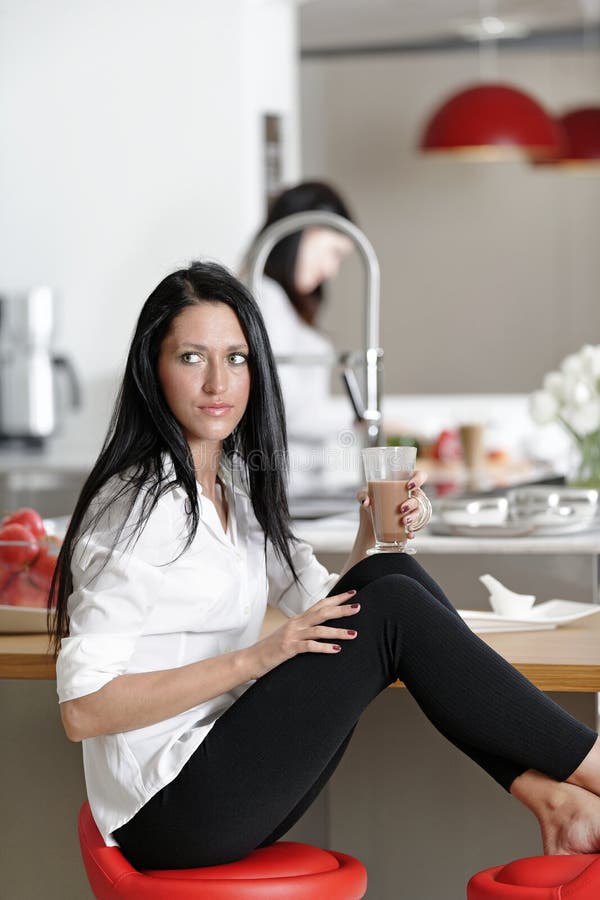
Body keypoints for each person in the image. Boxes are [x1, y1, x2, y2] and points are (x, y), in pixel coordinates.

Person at [51, 260, 600, 872]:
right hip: (170, 807)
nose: (217, 383)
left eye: (235, 358)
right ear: (153, 370)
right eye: (191, 358)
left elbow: (336, 601)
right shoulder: (137, 507)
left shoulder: (232, 484)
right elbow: (84, 709)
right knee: (394, 603)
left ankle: (554, 801)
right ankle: (588, 775)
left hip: (225, 764)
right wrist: (259, 656)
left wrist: (373, 532)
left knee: (392, 580)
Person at [244, 181, 356, 459]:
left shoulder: (282, 300)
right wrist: (366, 418)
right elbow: (285, 407)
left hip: (301, 479)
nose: (332, 270)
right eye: (334, 252)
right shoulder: (263, 295)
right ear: (307, 230)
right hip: (283, 479)